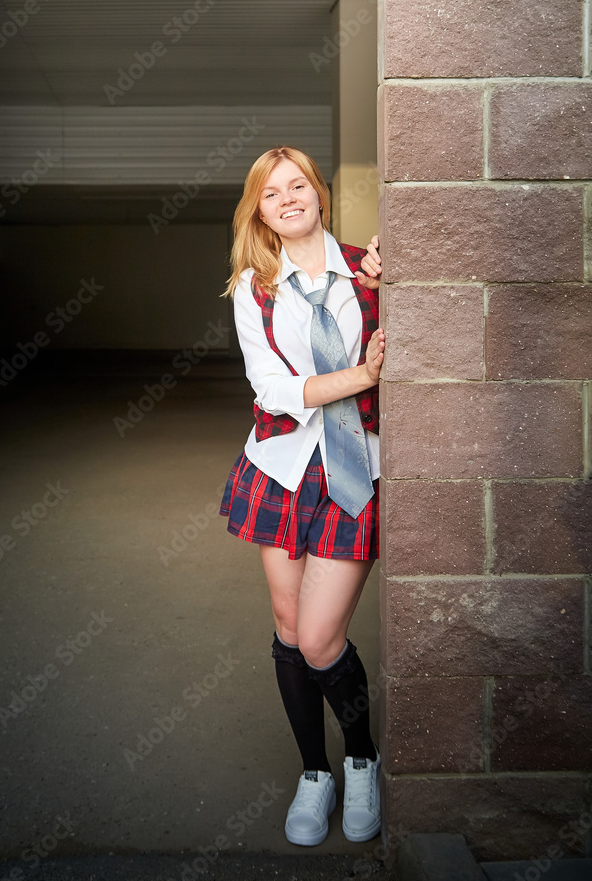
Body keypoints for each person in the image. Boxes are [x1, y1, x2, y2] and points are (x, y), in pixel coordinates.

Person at [218, 145, 385, 847]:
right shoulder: (252, 290)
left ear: (318, 192)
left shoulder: (372, 274)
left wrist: (395, 276)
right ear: (258, 210)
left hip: (353, 469)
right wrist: (358, 376)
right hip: (281, 470)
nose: (286, 198)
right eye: (269, 192)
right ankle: (314, 773)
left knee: (321, 638)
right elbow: (274, 392)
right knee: (289, 634)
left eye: (296, 185)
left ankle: (362, 758)